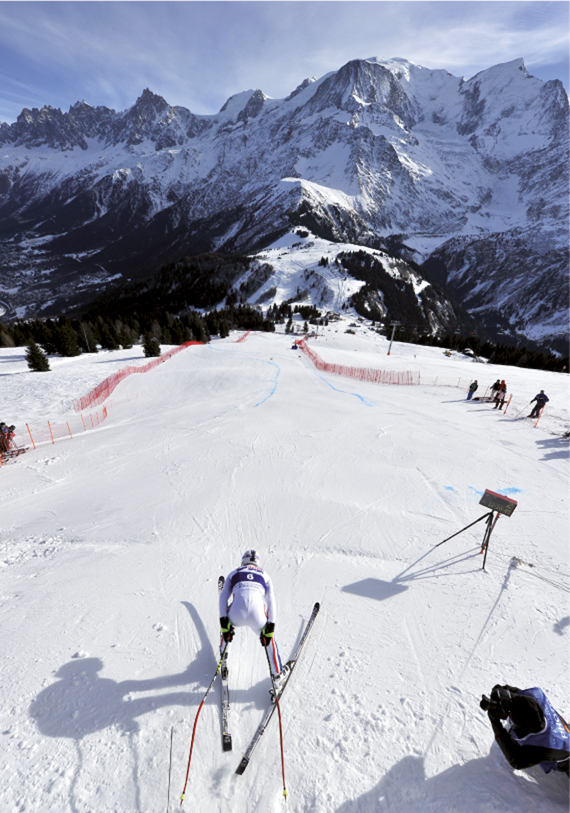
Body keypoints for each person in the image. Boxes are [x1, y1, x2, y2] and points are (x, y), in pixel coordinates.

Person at [219, 550, 288, 694]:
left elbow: (223, 597)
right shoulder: (265, 575)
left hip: (236, 614)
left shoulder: (234, 573)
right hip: (258, 617)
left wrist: (224, 621)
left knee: (227, 627)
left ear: (243, 561)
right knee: (269, 640)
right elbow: (271, 602)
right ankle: (277, 676)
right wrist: (270, 626)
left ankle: (224, 659)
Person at [481, 684, 569, 775]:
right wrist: (504, 697)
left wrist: (495, 723)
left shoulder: (547, 746)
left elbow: (516, 761)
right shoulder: (536, 695)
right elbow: (506, 690)